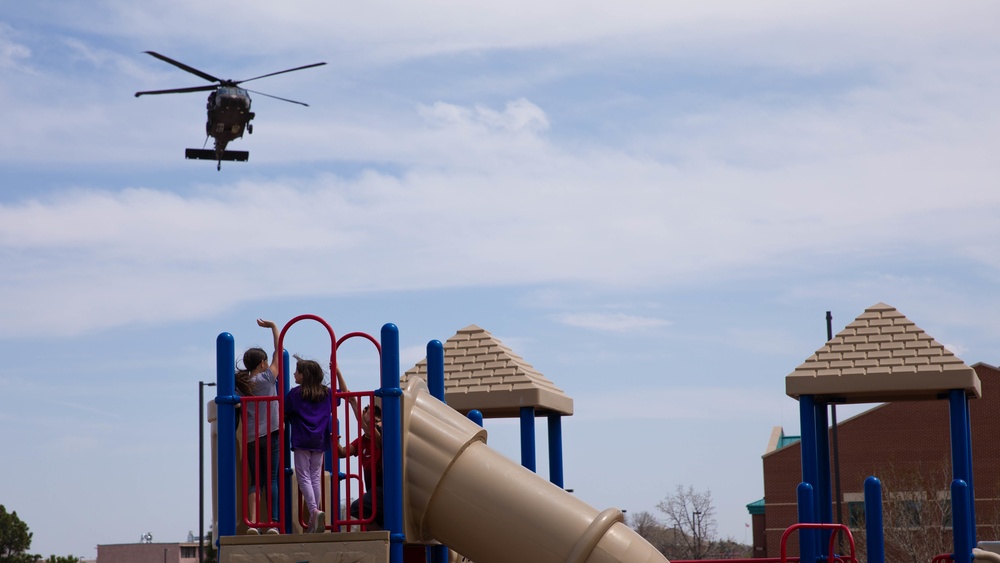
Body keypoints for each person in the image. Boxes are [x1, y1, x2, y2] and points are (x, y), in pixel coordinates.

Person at [234, 318, 282, 534]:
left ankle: (252, 523)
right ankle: (273, 522)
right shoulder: (267, 379)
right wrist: (273, 327)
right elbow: (279, 352)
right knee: (272, 477)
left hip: (251, 437)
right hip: (271, 433)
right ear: (262, 363)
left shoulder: (242, 384)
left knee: (255, 479)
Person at [285, 358, 332, 533]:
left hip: (301, 439)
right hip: (319, 439)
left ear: (304, 375)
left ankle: (313, 511)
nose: (294, 374)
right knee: (315, 477)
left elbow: (285, 411)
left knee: (303, 476)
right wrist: (337, 371)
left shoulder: (295, 394)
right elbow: (340, 396)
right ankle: (314, 519)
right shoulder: (326, 393)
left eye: (297, 371)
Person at [336, 368, 384, 530]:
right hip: (372, 490)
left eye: (367, 409)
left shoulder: (381, 432)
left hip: (385, 487)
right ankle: (380, 534)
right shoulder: (363, 440)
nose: (364, 411)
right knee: (363, 511)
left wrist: (367, 419)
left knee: (358, 507)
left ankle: (380, 537)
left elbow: (371, 431)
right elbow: (342, 453)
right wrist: (332, 437)